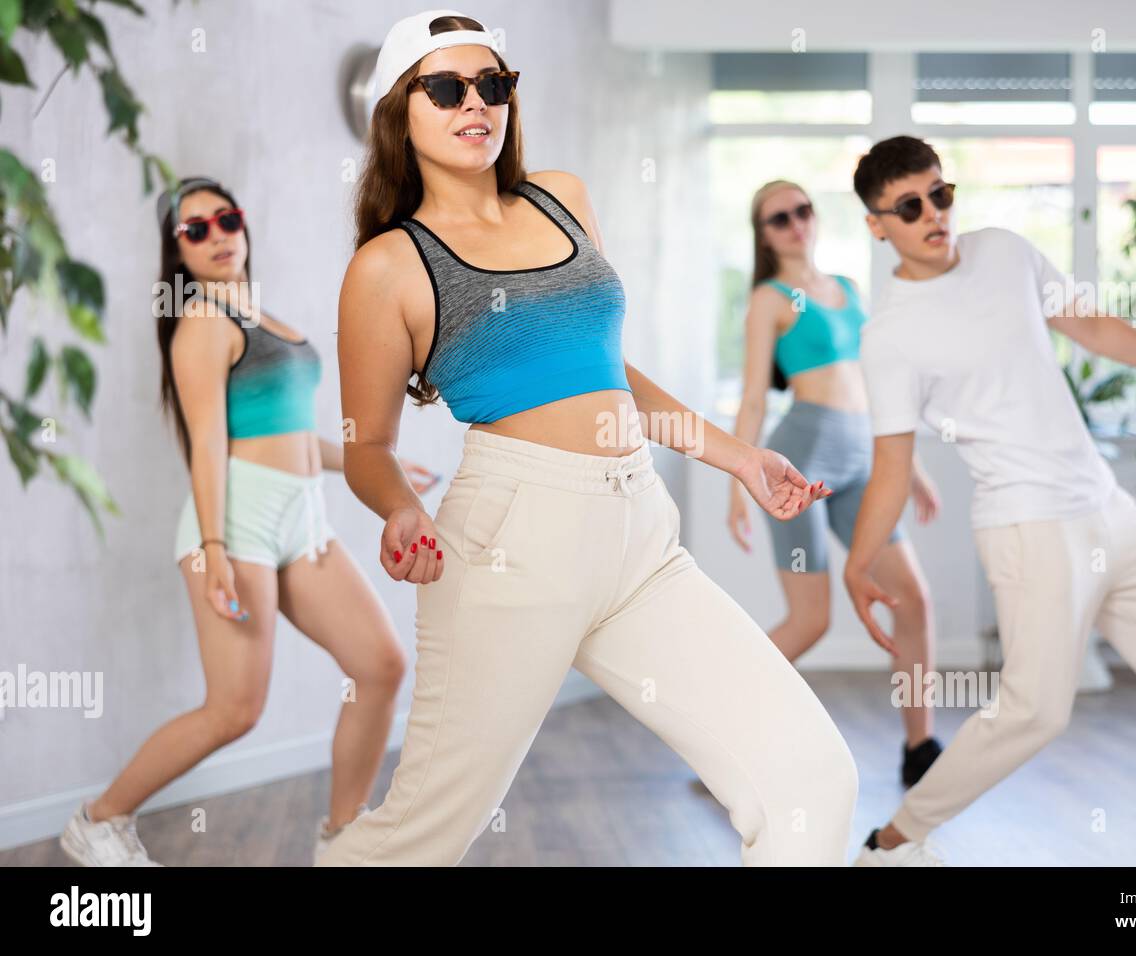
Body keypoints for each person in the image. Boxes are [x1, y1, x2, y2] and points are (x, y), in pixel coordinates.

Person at [315, 9, 861, 867]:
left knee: (811, 778)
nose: (476, 103)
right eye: (448, 87)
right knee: (416, 841)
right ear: (400, 109)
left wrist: (742, 457)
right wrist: (397, 511)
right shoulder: (388, 266)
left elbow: (610, 376)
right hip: (508, 548)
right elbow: (366, 445)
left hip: (640, 534)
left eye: (493, 84)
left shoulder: (561, 197)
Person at [844, 136, 1136, 867]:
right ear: (878, 224)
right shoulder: (891, 336)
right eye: (909, 206)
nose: (933, 214)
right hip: (1027, 524)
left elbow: (1090, 323)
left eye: (940, 194)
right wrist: (860, 565)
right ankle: (892, 845)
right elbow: (892, 462)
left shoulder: (1005, 253)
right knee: (1036, 711)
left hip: (1102, 504)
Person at [59, 177, 429, 866]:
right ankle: (98, 819)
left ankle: (342, 836)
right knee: (235, 709)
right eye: (195, 229)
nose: (217, 234)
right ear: (178, 253)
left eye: (225, 218)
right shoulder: (201, 323)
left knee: (380, 663)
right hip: (237, 522)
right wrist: (213, 549)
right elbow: (207, 445)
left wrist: (377, 461)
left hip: (301, 522)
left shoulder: (267, 317)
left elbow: (287, 438)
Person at [728, 179, 943, 786]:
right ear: (764, 235)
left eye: (803, 210)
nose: (796, 223)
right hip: (802, 460)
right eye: (779, 218)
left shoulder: (848, 290)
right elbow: (751, 400)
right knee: (811, 620)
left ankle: (919, 747)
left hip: (864, 461)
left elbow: (882, 388)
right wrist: (735, 481)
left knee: (914, 599)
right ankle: (719, 734)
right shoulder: (770, 299)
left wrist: (914, 469)